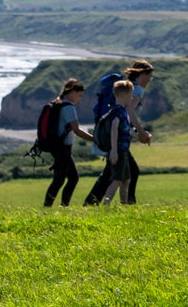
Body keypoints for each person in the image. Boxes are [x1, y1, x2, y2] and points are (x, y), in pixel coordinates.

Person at [83, 60, 155, 205]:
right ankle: (126, 204)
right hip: (118, 141)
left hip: (115, 138)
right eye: (149, 76)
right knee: (127, 172)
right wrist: (141, 132)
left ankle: (91, 204)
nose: (150, 79)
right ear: (142, 74)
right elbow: (129, 111)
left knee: (114, 173)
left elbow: (124, 120)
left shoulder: (125, 87)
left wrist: (136, 134)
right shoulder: (136, 90)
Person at [43, 78, 95, 207]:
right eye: (79, 95)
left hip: (57, 147)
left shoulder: (58, 103)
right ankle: (55, 207)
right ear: (72, 92)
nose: (79, 99)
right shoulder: (69, 107)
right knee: (63, 179)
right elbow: (77, 130)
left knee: (67, 178)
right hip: (63, 148)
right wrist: (95, 139)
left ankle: (56, 207)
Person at [101, 80, 136, 205]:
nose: (131, 98)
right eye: (130, 95)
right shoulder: (118, 111)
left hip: (123, 150)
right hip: (119, 150)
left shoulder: (121, 111)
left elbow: (125, 130)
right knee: (117, 180)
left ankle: (124, 205)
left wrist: (138, 136)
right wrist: (114, 150)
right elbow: (114, 128)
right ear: (122, 95)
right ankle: (106, 205)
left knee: (126, 180)